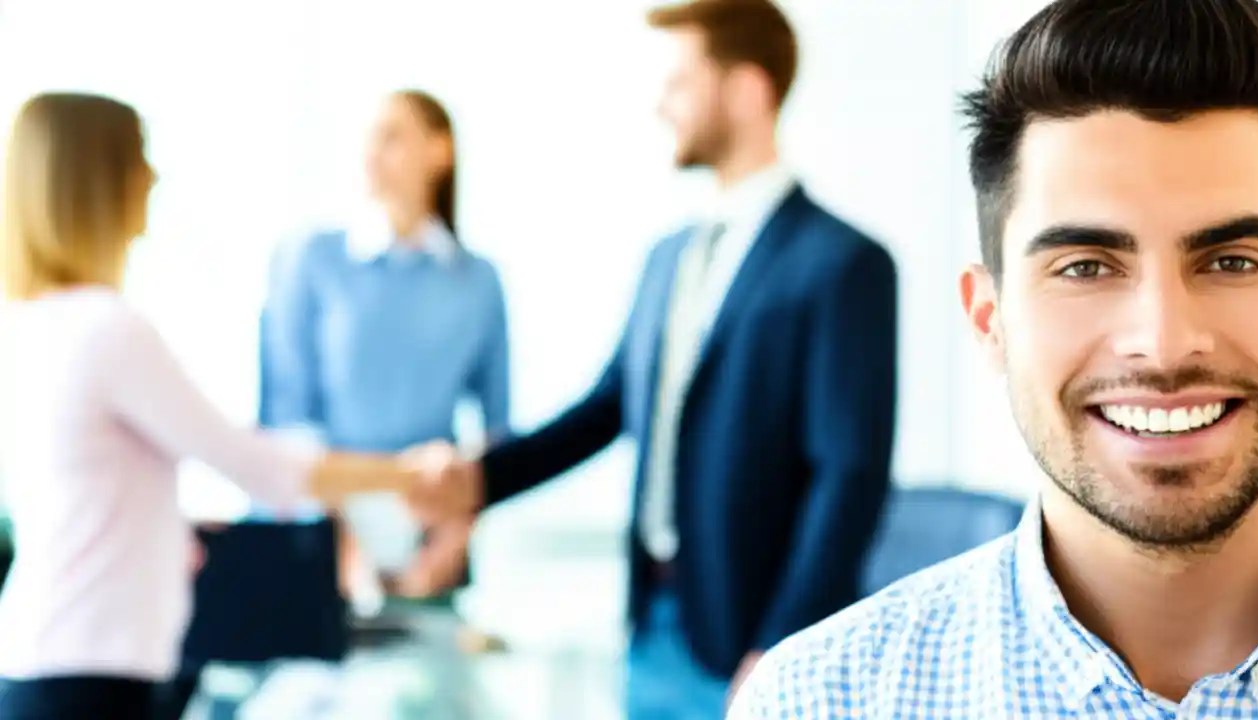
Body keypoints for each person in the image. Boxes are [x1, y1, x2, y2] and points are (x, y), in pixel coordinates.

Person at [729, 0, 1258, 717]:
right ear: (990, 319)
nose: (1165, 340)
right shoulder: (819, 701)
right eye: (1085, 267)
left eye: (1234, 261)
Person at [411, 0, 898, 717]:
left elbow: (848, 476)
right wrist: (476, 479)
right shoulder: (666, 258)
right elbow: (606, 410)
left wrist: (784, 645)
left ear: (746, 89)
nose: (659, 104)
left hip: (756, 645)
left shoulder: (843, 264)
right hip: (652, 628)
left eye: (679, 82)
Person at [0, 92, 438, 719]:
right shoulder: (108, 330)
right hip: (87, 678)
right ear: (96, 181)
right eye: (138, 159)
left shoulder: (36, 326)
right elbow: (257, 465)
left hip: (55, 666)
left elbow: (96, 499)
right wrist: (407, 474)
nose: (153, 178)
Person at [261, 89, 509, 598]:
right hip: (320, 535)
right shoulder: (312, 259)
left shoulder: (478, 282)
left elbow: (496, 432)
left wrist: (455, 536)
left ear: (440, 152)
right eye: (368, 140)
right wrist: (339, 534)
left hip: (430, 540)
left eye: (391, 137)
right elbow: (286, 416)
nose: (371, 154)